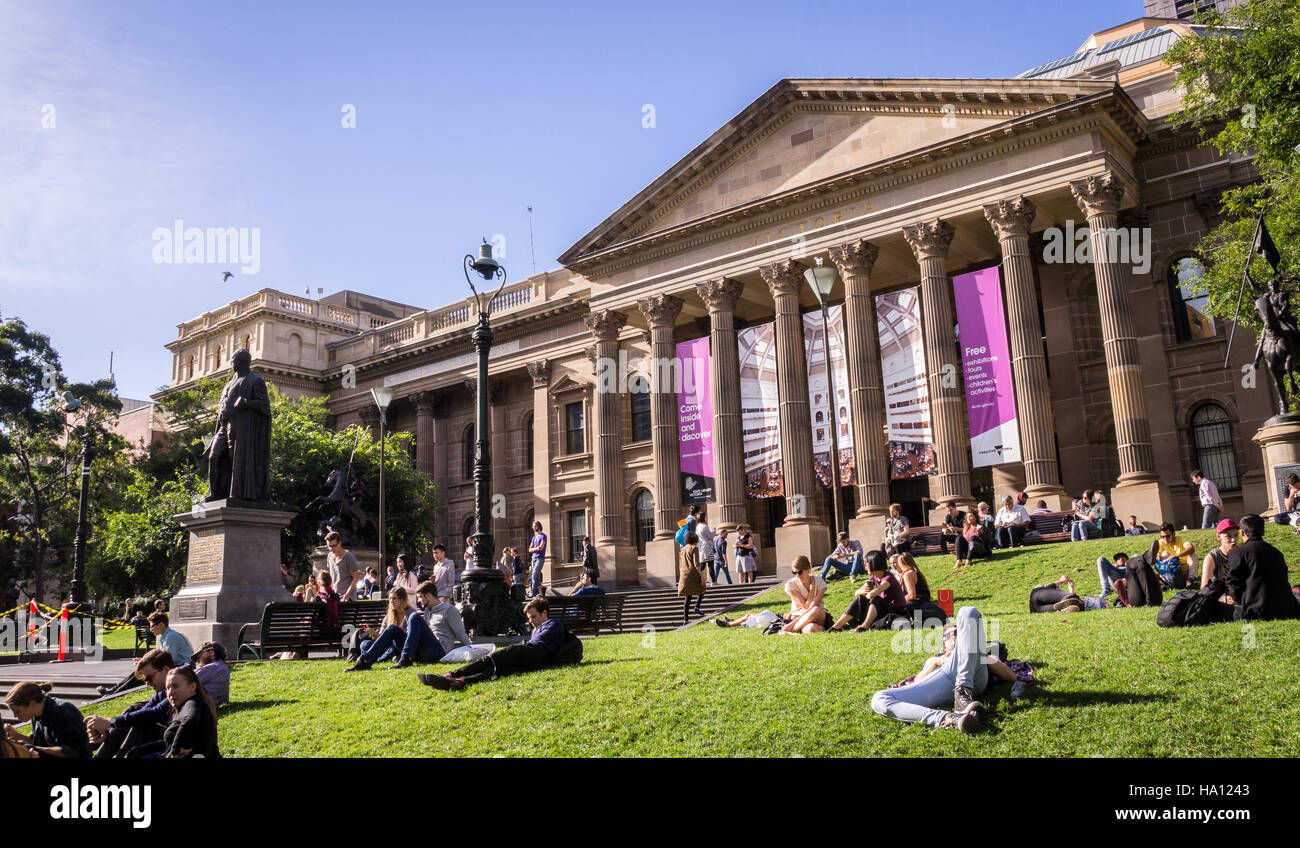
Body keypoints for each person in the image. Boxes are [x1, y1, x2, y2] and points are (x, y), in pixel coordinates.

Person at [870, 606, 1018, 733]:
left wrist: (977, 653)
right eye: (950, 634)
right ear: (943, 642)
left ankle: (962, 691)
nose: (956, 636)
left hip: (974, 679)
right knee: (879, 699)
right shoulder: (934, 659)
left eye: (959, 632)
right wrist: (936, 662)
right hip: (945, 677)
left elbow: (1011, 677)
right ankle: (947, 719)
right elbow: (916, 683)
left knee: (968, 611)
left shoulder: (980, 652)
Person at [419, 597, 571, 690]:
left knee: (490, 660)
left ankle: (451, 674)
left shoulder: (552, 624)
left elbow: (537, 645)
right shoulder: (539, 628)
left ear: (544, 613)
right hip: (533, 659)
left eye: (534, 617)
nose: (531, 622)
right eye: (529, 618)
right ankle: (460, 681)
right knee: (496, 669)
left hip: (533, 654)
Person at [84, 649, 176, 758]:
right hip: (164, 738)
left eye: (150, 678)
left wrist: (110, 721)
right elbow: (144, 710)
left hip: (174, 743)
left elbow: (154, 712)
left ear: (165, 670)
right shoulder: (163, 692)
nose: (147, 684)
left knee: (141, 725)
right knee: (132, 715)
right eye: (145, 680)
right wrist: (107, 730)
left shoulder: (179, 689)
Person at [346, 586, 446, 671]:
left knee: (412, 618)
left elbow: (413, 637)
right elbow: (383, 638)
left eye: (394, 598)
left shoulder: (411, 614)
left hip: (429, 650)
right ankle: (365, 661)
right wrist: (375, 635)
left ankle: (403, 657)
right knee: (366, 643)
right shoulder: (389, 616)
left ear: (402, 600)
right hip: (415, 654)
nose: (391, 601)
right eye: (390, 599)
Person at [1227, 513, 1300, 621]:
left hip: (1257, 610)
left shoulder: (1238, 553)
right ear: (1263, 532)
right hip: (1286, 608)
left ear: (1242, 532)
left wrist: (1242, 601)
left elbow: (1233, 583)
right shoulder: (1276, 553)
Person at [4, 681, 92, 758]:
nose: (15, 716)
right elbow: (36, 743)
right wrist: (15, 735)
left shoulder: (61, 712)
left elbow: (72, 752)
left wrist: (33, 748)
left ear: (32, 703)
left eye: (17, 711)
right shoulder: (36, 713)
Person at [148, 666, 220, 759]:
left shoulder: (192, 703)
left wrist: (175, 751)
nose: (171, 692)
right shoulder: (193, 703)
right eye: (168, 688)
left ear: (192, 687)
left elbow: (190, 719)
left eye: (175, 686)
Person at [829, 551, 906, 632]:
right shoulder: (874, 577)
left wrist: (865, 593)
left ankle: (864, 626)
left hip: (895, 612)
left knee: (876, 598)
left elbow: (872, 594)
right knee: (860, 598)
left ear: (874, 564)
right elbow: (857, 593)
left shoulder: (888, 578)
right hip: (882, 610)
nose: (865, 567)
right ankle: (836, 626)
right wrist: (862, 592)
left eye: (867, 564)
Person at [414, 581, 472, 651]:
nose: (418, 601)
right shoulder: (427, 610)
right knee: (397, 631)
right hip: (426, 646)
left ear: (428, 596)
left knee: (413, 617)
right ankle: (404, 656)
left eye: (420, 597)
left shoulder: (449, 610)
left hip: (440, 649)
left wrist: (471, 649)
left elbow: (460, 633)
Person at [779, 555, 829, 634]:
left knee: (816, 610)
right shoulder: (791, 584)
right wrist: (812, 590)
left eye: (800, 572)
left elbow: (813, 606)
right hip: (799, 617)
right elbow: (805, 606)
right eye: (794, 573)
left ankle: (790, 630)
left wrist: (791, 624)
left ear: (808, 569)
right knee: (811, 629)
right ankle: (796, 629)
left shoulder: (819, 581)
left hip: (817, 615)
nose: (797, 575)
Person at [1029, 575, 1105, 613]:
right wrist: (1061, 581)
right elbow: (1050, 586)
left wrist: (1071, 588)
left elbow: (1070, 601)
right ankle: (1063, 610)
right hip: (1037, 594)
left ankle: (1063, 610)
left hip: (1035, 609)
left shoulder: (1056, 599)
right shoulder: (1044, 588)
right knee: (1075, 599)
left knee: (1059, 607)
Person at [1155, 523, 1197, 589]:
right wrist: (1158, 555)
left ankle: (1190, 579)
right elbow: (1157, 553)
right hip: (1171, 571)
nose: (1165, 539)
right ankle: (1168, 580)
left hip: (1184, 568)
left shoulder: (1180, 539)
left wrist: (1176, 556)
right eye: (1162, 537)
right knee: (1164, 554)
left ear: (1174, 534)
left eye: (1167, 536)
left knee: (1193, 554)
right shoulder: (1161, 542)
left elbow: (1191, 548)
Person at [677, 531, 705, 625]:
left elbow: (680, 564)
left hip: (684, 574)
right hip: (693, 573)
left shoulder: (682, 549)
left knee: (687, 597)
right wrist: (702, 576)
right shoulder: (694, 548)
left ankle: (685, 619)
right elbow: (696, 564)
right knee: (702, 589)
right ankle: (697, 607)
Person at [325, 531, 362, 600]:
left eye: (334, 546)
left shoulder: (348, 557)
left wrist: (347, 594)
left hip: (348, 598)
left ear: (340, 543)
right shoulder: (329, 556)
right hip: (335, 596)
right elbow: (331, 577)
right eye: (329, 546)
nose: (331, 549)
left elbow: (356, 577)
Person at [192, 642, 230, 708]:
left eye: (199, 654)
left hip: (203, 704)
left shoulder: (214, 667)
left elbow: (187, 680)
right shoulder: (221, 667)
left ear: (211, 652)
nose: (198, 660)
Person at [527, 521, 547, 597]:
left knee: (534, 575)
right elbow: (529, 549)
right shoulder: (534, 537)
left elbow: (541, 547)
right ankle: (540, 594)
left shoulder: (543, 536)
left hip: (540, 559)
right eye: (533, 526)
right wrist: (536, 549)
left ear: (538, 526)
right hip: (533, 558)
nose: (533, 527)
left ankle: (533, 593)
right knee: (537, 578)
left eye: (534, 526)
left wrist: (534, 549)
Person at [695, 511, 715, 585]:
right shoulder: (705, 526)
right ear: (703, 517)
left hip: (702, 548)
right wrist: (714, 531)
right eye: (706, 516)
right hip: (708, 548)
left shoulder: (697, 527)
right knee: (710, 565)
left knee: (702, 565)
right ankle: (713, 581)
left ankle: (696, 578)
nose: (707, 517)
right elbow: (710, 536)